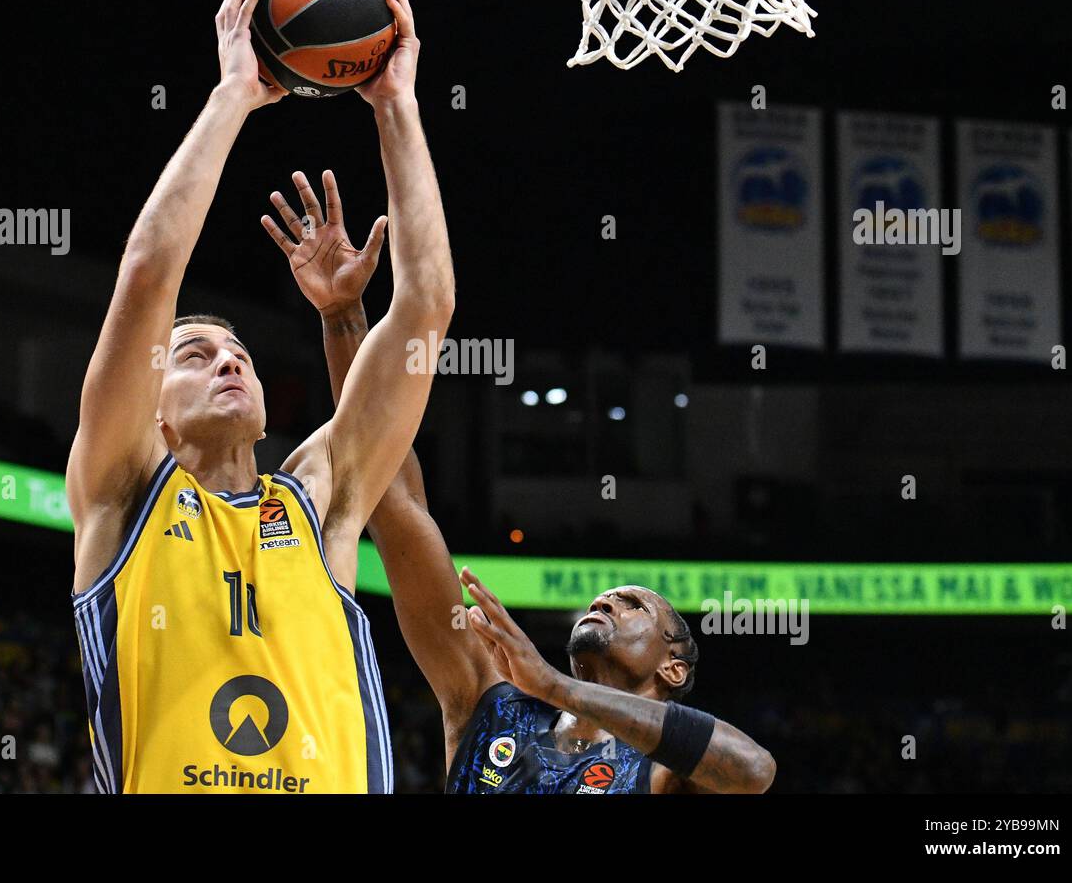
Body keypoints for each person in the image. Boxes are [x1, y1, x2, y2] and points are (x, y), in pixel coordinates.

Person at [66, 0, 453, 793]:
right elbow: (147, 275)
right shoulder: (122, 492)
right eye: (196, 356)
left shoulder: (319, 502)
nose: (229, 360)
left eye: (236, 353)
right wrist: (234, 95)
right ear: (154, 414)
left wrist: (396, 108)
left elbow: (426, 307)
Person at [302, 248, 774, 795]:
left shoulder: (666, 774)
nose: (604, 603)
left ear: (673, 668)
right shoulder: (489, 701)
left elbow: (755, 770)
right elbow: (393, 496)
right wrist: (342, 316)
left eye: (633, 604)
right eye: (606, 599)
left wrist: (555, 685)